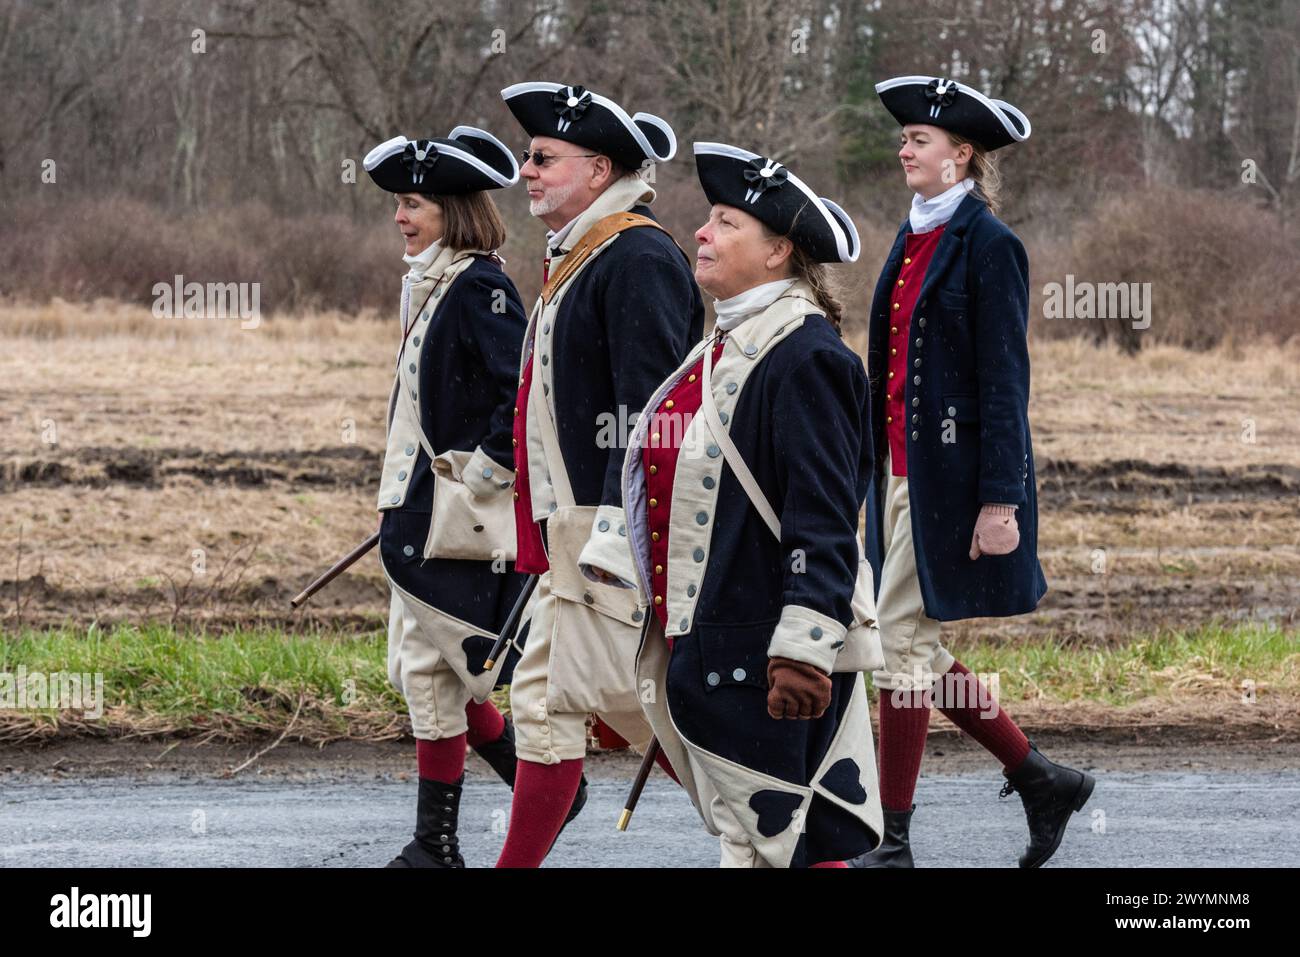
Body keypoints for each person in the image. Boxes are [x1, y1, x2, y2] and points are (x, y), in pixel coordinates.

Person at [617, 142, 884, 868]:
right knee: (778, 844)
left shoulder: (807, 358)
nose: (701, 233)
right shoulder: (728, 346)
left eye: (725, 222)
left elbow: (824, 516)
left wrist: (801, 649)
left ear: (777, 252)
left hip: (765, 655)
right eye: (709, 219)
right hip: (717, 647)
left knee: (767, 847)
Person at [854, 75, 1094, 868]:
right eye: (905, 138)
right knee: (912, 645)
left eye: (919, 139)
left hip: (951, 488)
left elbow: (1005, 382)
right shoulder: (913, 229)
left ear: (961, 156)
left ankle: (893, 841)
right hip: (894, 473)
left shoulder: (992, 245)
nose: (904, 148)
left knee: (895, 651)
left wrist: (1000, 498)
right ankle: (1039, 775)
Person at [495, 81, 705, 867]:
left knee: (669, 720)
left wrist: (624, 543)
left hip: (610, 535)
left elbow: (654, 420)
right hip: (573, 532)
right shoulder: (587, 250)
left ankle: (804, 853)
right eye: (526, 157)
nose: (527, 171)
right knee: (546, 705)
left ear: (599, 168)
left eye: (544, 158)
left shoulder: (639, 256)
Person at [364, 127, 531, 867]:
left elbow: (516, 400)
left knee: (436, 672)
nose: (402, 216)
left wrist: (480, 482)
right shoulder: (433, 280)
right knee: (420, 669)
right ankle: (537, 783)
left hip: (457, 523)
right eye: (400, 202)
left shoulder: (480, 287)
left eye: (415, 203)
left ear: (454, 211)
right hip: (419, 513)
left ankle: (436, 845)